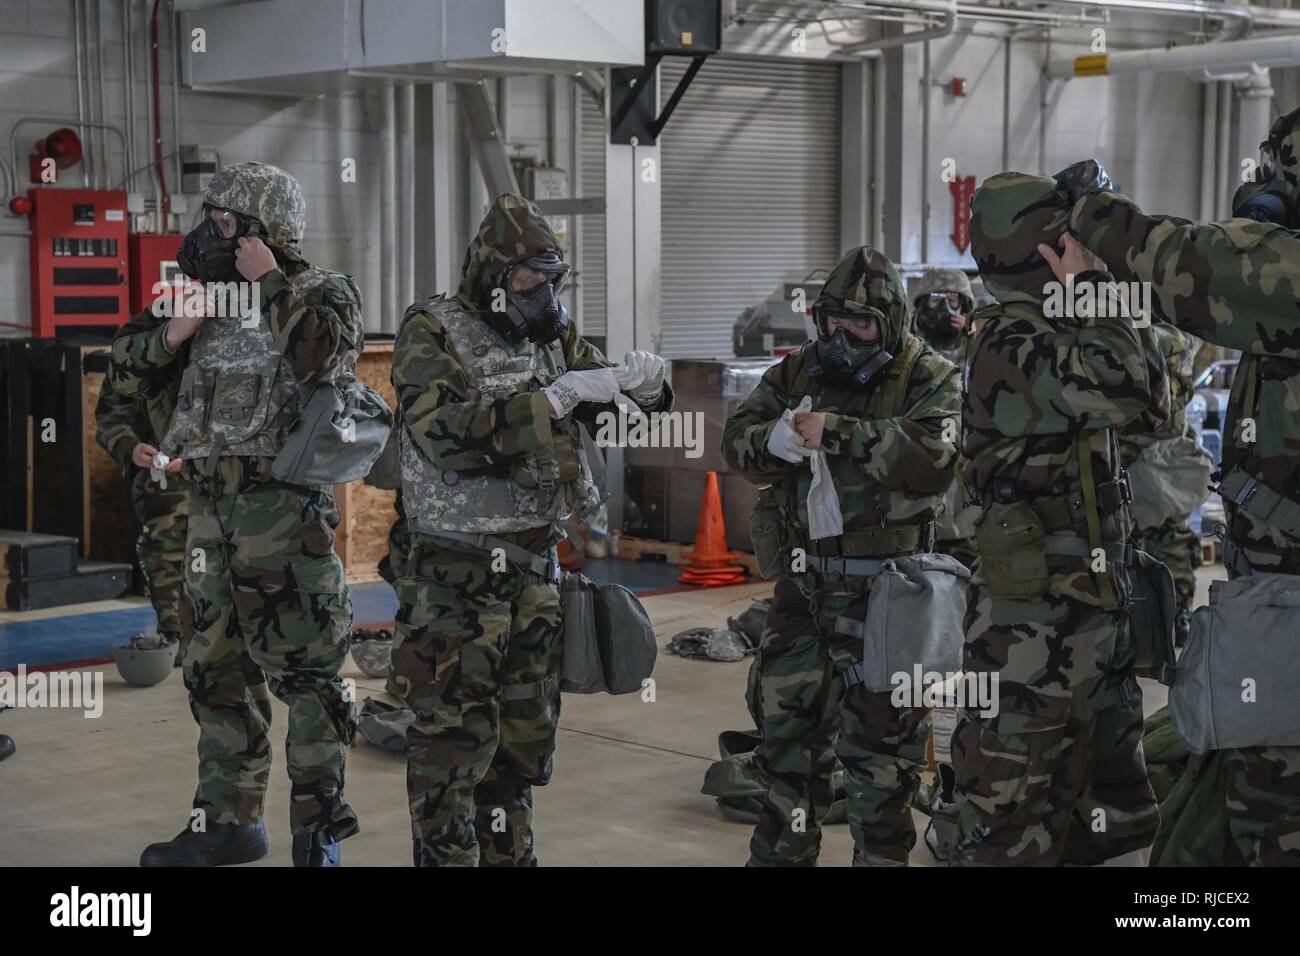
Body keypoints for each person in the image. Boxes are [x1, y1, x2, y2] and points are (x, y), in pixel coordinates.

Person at [390, 193, 672, 867]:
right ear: (492, 276)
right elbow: (444, 435)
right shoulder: (434, 329)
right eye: (528, 280)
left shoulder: (554, 338)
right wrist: (556, 397)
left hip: (533, 575)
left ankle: (510, 858)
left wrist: (645, 393)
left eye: (553, 280)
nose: (543, 294)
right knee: (453, 745)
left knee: (522, 743)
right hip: (454, 579)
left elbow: (602, 417)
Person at [1051, 125, 1300, 865]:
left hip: (1288, 602)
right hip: (1276, 595)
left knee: (1272, 805)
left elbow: (1195, 269)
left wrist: (1093, 208)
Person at [109, 162, 362, 867]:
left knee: (307, 676)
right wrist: (172, 334)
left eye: (223, 220)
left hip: (284, 516)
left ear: (263, 230)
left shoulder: (321, 290)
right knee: (214, 670)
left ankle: (317, 832)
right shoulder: (201, 297)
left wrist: (270, 280)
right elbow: (124, 359)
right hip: (209, 514)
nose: (208, 232)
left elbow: (322, 356)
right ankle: (227, 822)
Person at [951, 171, 1169, 866]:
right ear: (1043, 251)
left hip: (1091, 613)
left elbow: (1151, 403)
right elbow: (1126, 384)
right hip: (1030, 630)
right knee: (1011, 821)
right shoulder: (1007, 347)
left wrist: (1097, 298)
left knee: (1105, 815)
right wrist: (1096, 290)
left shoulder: (1062, 327)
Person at [722, 245, 961, 866]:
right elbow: (737, 444)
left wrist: (841, 432)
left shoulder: (928, 376)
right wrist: (769, 442)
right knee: (785, 743)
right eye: (833, 322)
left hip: (888, 595)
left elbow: (936, 457)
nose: (843, 337)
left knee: (882, 763)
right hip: (803, 591)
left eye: (860, 325)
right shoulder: (800, 371)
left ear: (890, 322)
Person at [1118, 323, 1208, 646]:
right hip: (1146, 450)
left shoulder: (1165, 333)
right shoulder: (1173, 327)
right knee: (1160, 537)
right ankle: (1169, 616)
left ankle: (1170, 615)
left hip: (1155, 451)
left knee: (1161, 536)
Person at [94, 375, 189, 662]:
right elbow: (110, 419)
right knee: (164, 549)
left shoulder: (226, 342)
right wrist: (130, 447)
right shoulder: (134, 348)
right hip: (160, 476)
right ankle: (177, 635)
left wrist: (203, 453)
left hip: (224, 469)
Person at [911, 267, 980, 567]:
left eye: (953, 300)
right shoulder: (906, 353)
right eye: (935, 300)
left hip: (970, 496)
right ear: (921, 306)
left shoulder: (983, 351)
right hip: (920, 490)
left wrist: (978, 337)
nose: (944, 309)